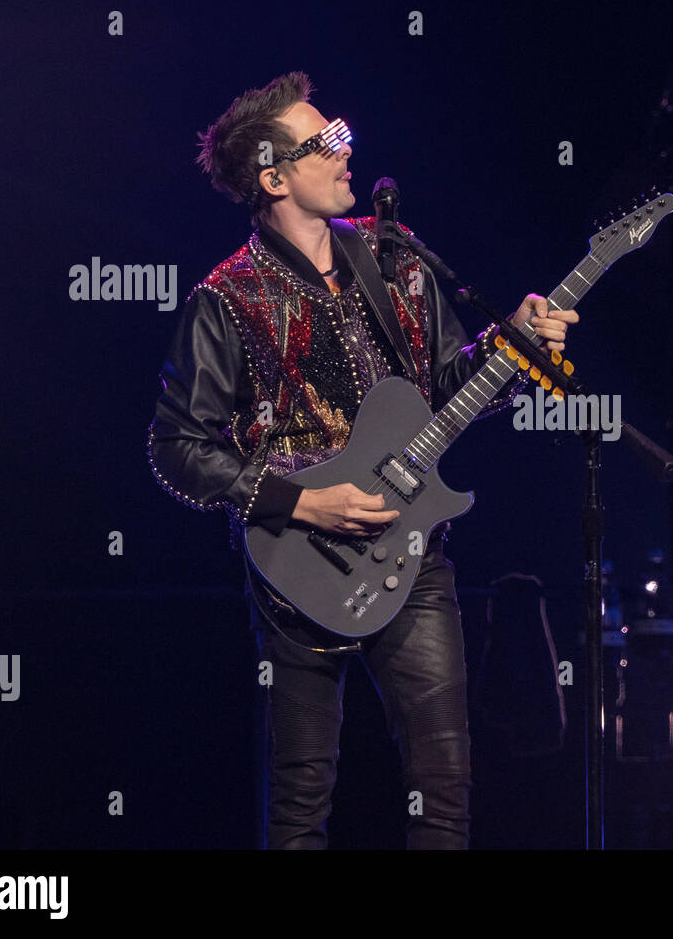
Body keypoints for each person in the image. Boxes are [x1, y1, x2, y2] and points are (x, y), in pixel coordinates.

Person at [146, 71, 578, 848]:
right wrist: (300, 502)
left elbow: (450, 388)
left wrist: (511, 345)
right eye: (328, 142)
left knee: (444, 786)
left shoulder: (398, 263)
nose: (350, 154)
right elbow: (175, 448)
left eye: (345, 136)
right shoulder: (226, 299)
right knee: (301, 800)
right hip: (298, 565)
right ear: (274, 176)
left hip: (413, 553)